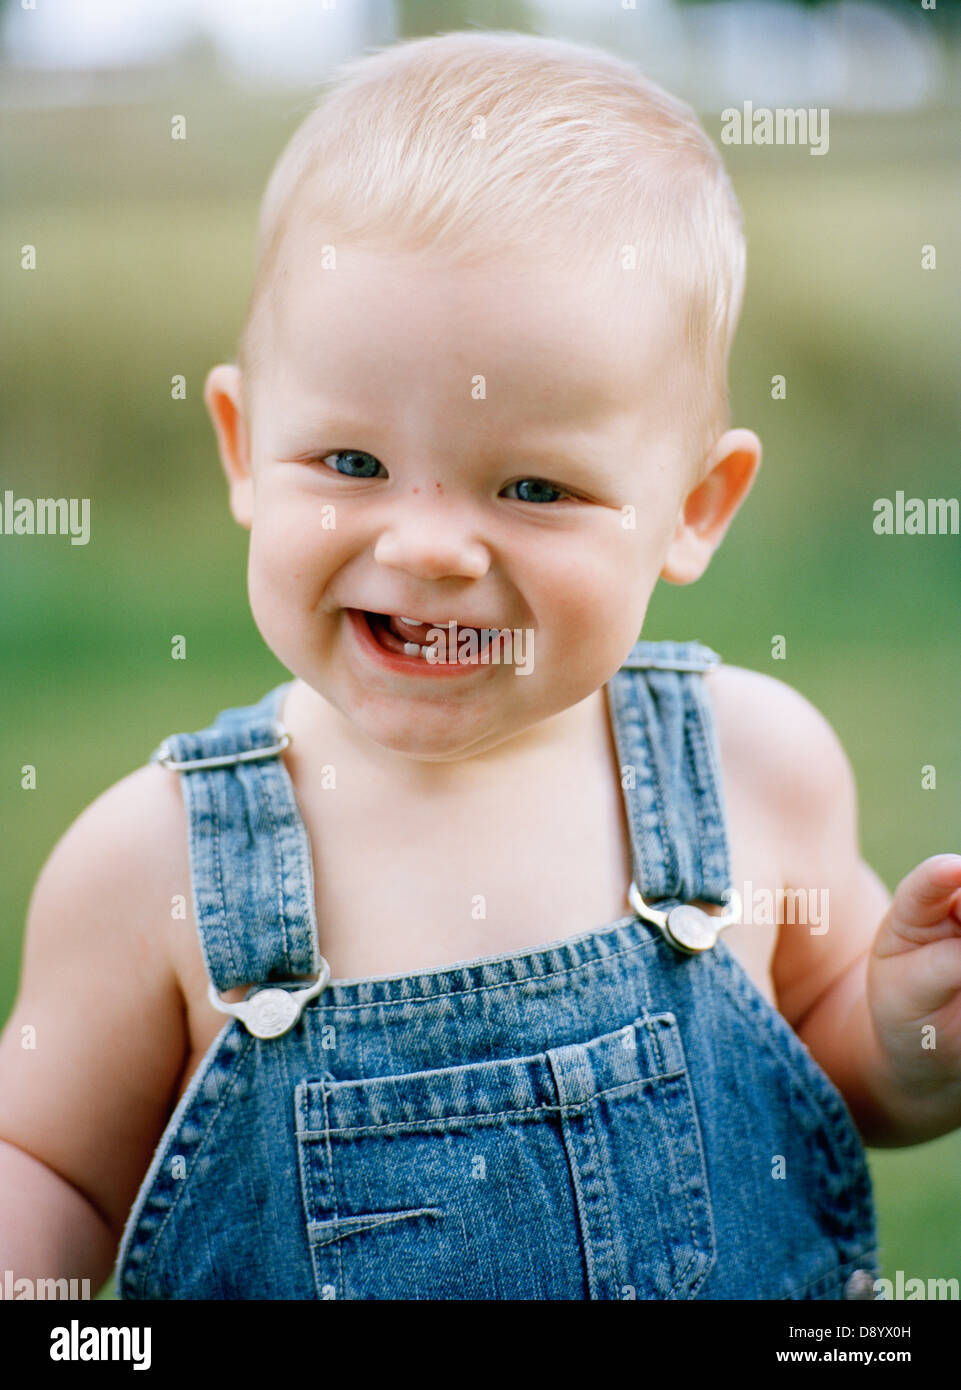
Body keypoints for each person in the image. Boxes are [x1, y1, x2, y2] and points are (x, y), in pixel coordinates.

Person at [2, 30, 959, 1301]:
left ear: (693, 505)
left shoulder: (753, 768)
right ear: (242, 445)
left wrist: (907, 1039)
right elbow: (46, 1166)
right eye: (350, 463)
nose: (429, 544)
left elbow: (819, 1067)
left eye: (533, 485)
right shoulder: (148, 867)